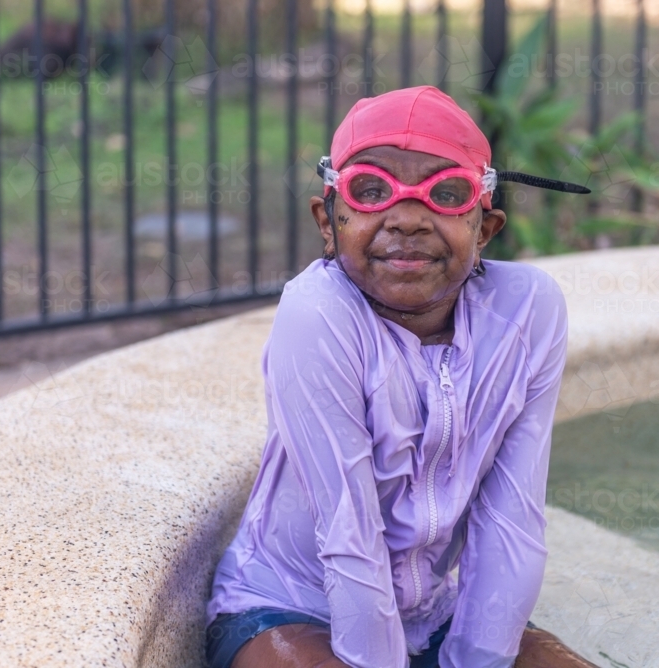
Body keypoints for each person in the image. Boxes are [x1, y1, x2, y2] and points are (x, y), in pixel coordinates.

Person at [205, 85, 598, 668]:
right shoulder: (319, 313)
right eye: (371, 191)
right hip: (291, 605)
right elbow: (350, 537)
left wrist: (478, 659)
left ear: (484, 227)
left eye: (446, 194)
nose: (408, 219)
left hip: (434, 613)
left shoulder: (526, 311)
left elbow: (512, 519)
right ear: (327, 221)